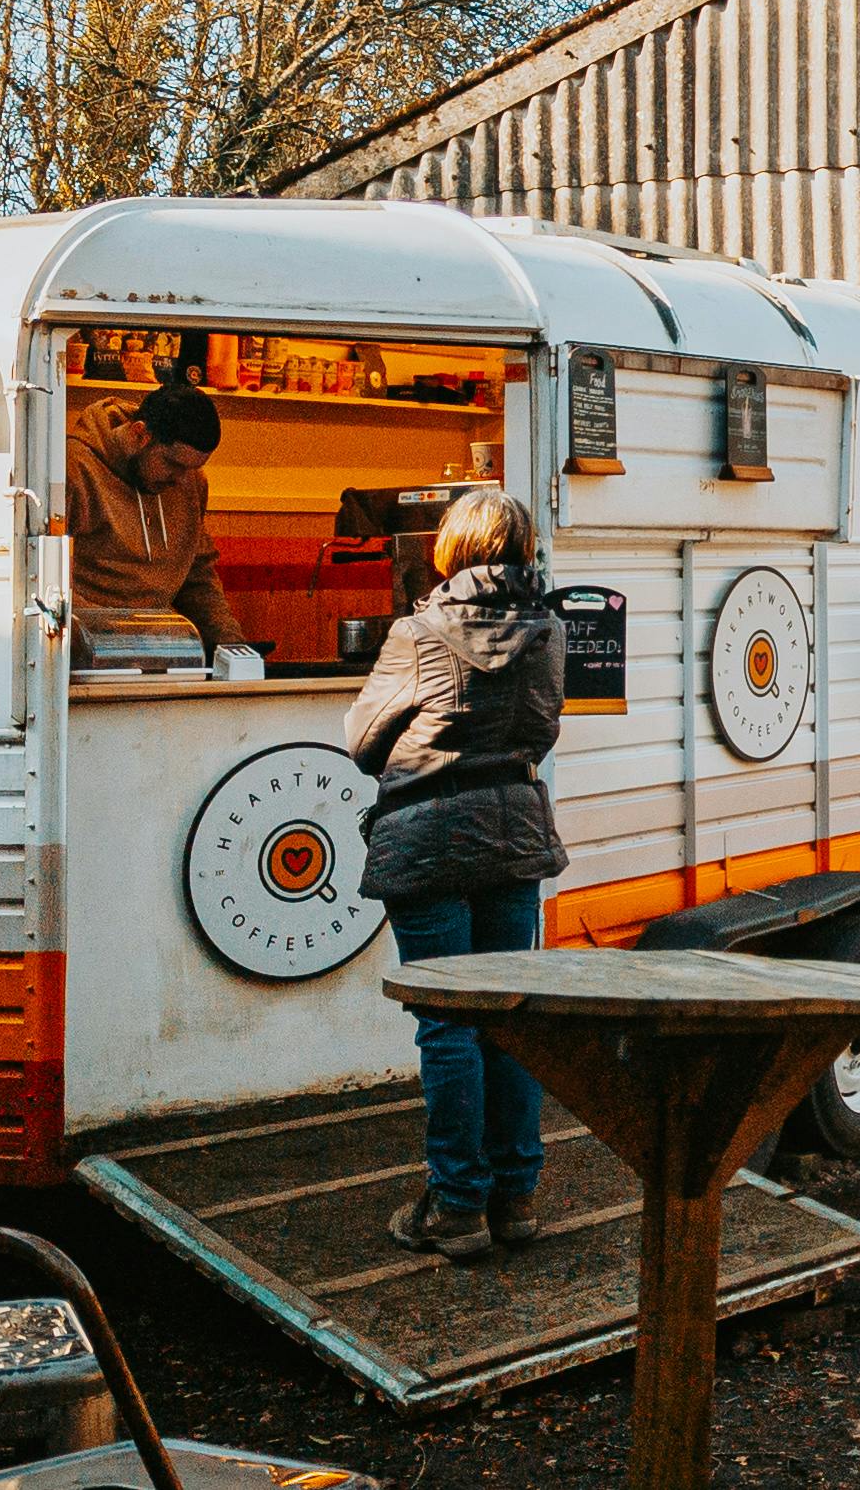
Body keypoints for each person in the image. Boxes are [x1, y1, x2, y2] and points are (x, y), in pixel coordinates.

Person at [345, 486, 569, 1262]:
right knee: (510, 1018)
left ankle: (457, 1208)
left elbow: (364, 740)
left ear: (452, 547)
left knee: (449, 1021)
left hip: (430, 833)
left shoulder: (419, 630)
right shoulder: (549, 631)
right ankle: (516, 1199)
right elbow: (542, 728)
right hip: (512, 827)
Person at [65, 366, 239, 652]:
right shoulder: (73, 470)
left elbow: (198, 578)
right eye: (174, 465)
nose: (181, 480)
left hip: (162, 645)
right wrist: (123, 634)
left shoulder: (191, 482)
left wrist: (231, 645)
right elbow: (50, 586)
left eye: (193, 468)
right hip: (85, 648)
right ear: (139, 434)